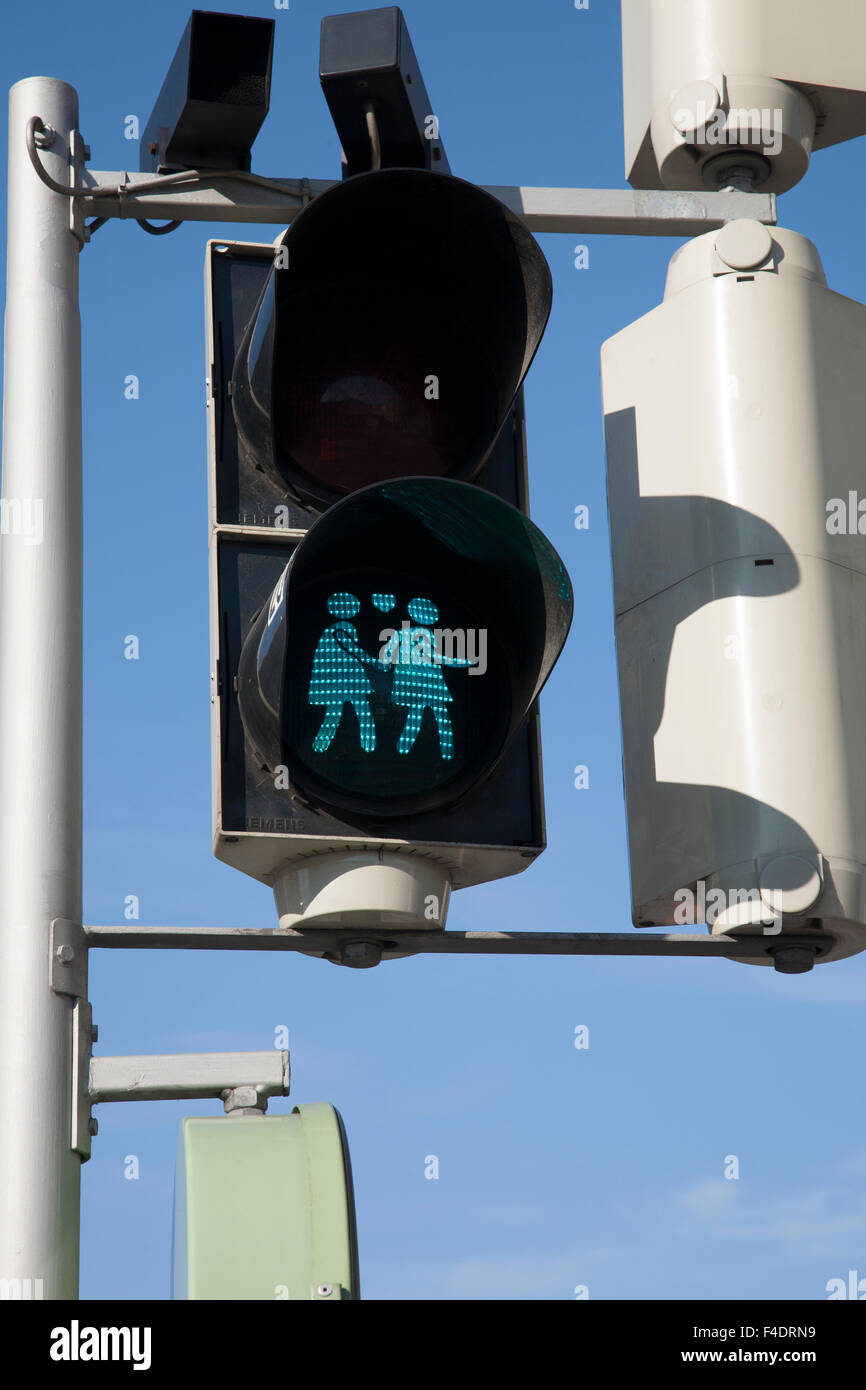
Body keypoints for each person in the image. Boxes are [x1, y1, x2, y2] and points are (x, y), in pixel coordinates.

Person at [380, 597, 475, 760]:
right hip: (430, 684)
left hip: (416, 684)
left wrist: (389, 662)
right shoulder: (421, 634)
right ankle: (445, 753)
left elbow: (387, 654)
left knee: (417, 717)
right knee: (441, 718)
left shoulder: (403, 634)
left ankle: (403, 749)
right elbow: (436, 657)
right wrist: (461, 662)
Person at [308, 592, 383, 753]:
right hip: (349, 679)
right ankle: (368, 746)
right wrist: (377, 663)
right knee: (362, 712)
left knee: (334, 715)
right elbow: (354, 650)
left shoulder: (332, 630)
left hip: (337, 681)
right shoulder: (340, 630)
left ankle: (321, 747)